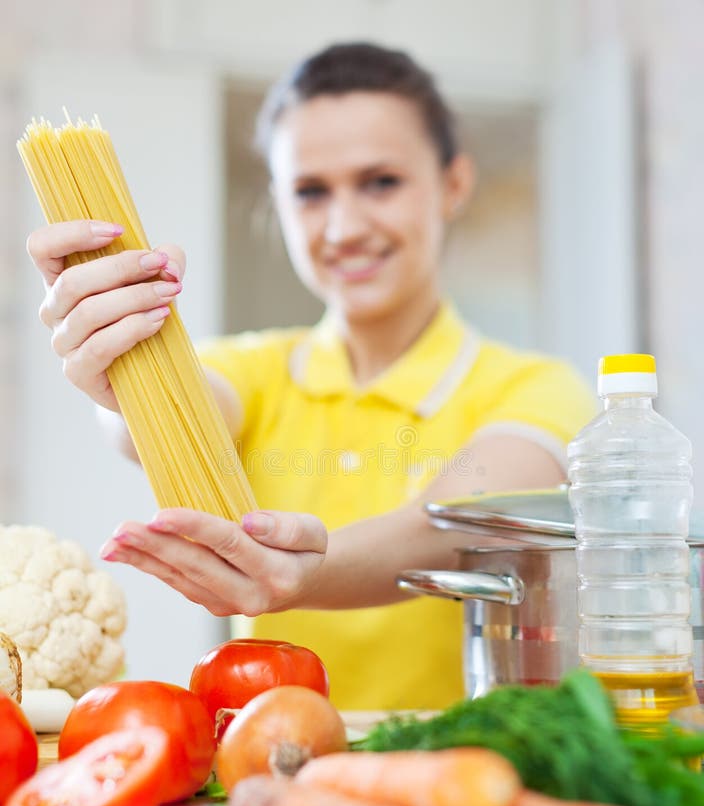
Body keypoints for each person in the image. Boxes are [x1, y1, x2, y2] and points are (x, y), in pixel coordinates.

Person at [27, 42, 596, 710]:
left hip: (461, 762)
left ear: (453, 184)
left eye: (381, 182)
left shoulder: (539, 388)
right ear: (280, 204)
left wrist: (307, 572)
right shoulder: (253, 370)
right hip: (269, 760)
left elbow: (458, 527)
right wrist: (123, 376)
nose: (344, 227)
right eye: (311, 191)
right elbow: (165, 413)